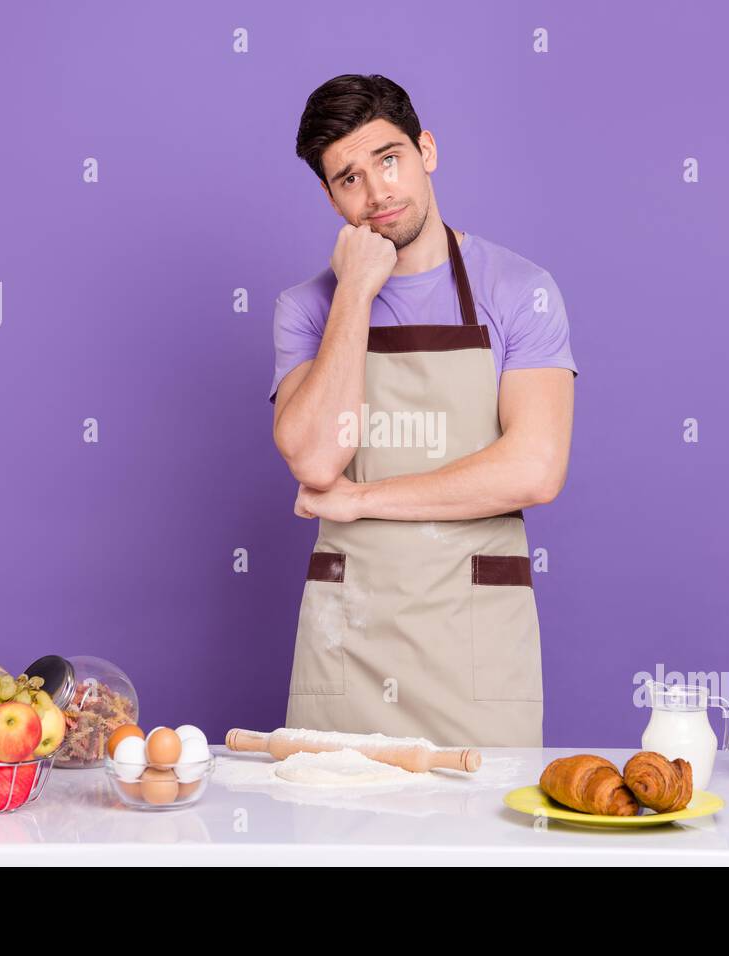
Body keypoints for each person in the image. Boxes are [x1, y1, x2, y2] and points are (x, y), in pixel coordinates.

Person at [269, 74, 577, 746]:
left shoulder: (521, 291)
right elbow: (318, 456)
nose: (377, 191)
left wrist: (362, 500)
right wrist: (354, 290)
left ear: (426, 150)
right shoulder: (308, 308)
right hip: (348, 649)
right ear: (329, 197)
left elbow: (534, 469)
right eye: (349, 179)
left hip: (474, 649)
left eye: (389, 159)